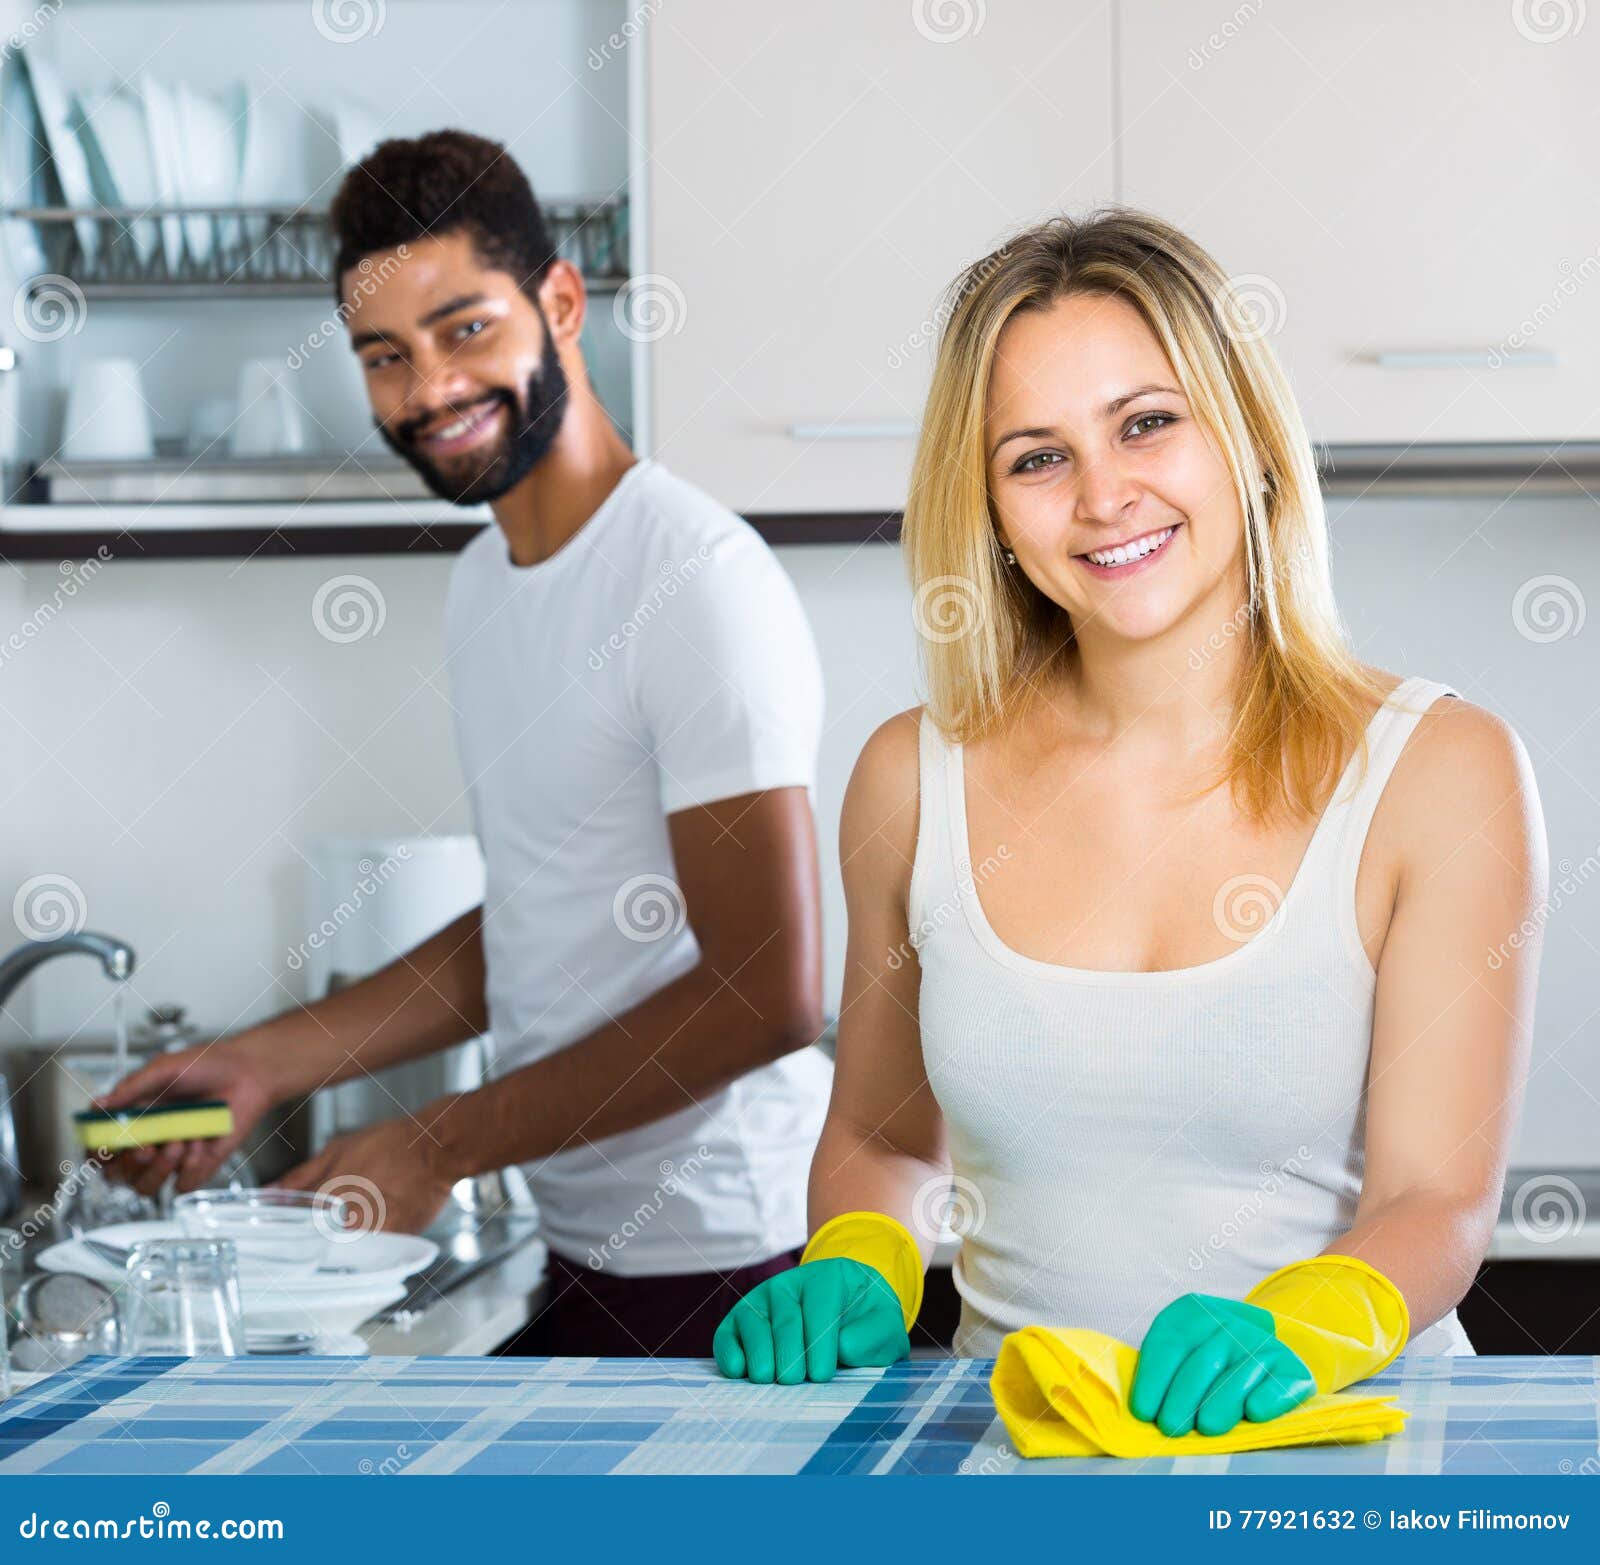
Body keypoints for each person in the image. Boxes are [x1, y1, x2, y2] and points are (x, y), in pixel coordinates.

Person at [712, 209, 1547, 1437]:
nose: (1104, 496)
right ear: (987, 507)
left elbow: (1436, 1196)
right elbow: (884, 1133)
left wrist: (1307, 1320)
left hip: (1344, 1458)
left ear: (1250, 439)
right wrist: (860, 1251)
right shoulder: (910, 775)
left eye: (1147, 421)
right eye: (1035, 457)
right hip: (1017, 1455)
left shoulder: (1438, 769)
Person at [101, 130, 833, 1358]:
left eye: (464, 330)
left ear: (559, 299)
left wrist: (436, 1141)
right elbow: (545, 919)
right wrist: (254, 1062)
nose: (426, 387)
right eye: (384, 356)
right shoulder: (492, 580)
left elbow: (770, 990)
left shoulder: (694, 578)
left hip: (743, 1260)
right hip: (592, 1248)